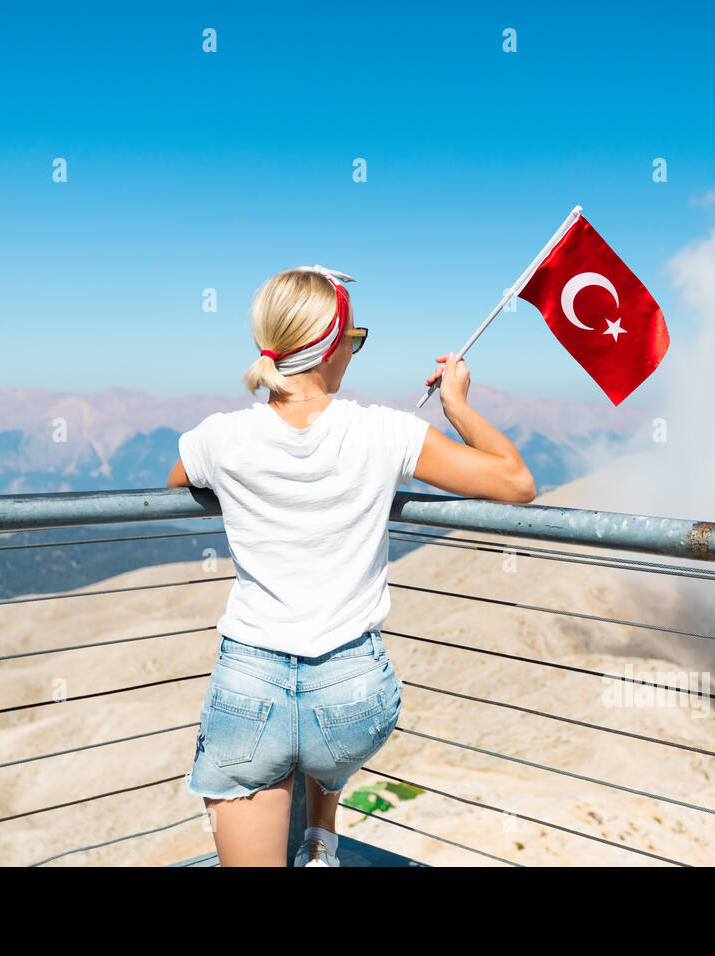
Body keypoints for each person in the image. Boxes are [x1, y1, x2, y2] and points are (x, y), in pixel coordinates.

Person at [166, 264, 535, 866]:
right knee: (321, 738)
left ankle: (315, 835)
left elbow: (177, 482)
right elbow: (516, 482)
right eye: (354, 341)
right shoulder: (384, 432)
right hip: (350, 695)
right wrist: (456, 404)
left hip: (249, 687)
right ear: (332, 346)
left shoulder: (220, 437)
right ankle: (321, 838)